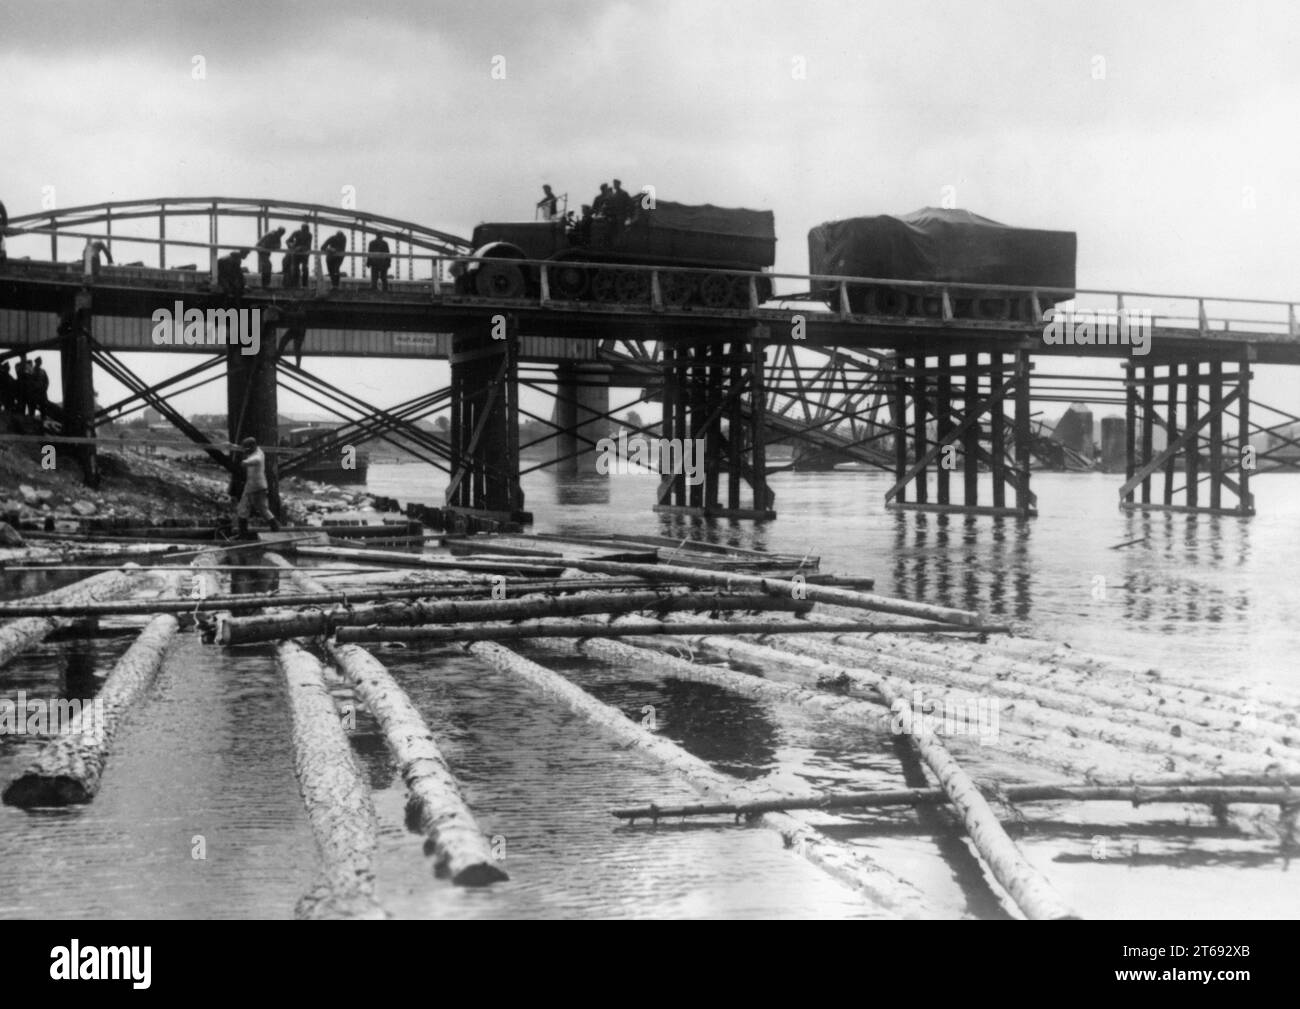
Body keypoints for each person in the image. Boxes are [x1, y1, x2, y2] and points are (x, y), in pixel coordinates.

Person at [233, 436, 281, 537]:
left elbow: (256, 460)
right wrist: (231, 446)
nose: (246, 451)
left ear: (253, 446)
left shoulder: (258, 455)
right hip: (250, 485)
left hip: (257, 486)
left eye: (247, 449)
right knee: (243, 508)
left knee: (262, 509)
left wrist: (245, 462)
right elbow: (241, 449)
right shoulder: (252, 452)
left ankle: (276, 528)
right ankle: (243, 533)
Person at [285, 223, 313, 288]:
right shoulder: (296, 233)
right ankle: (295, 285)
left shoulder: (309, 235)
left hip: (304, 255)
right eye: (304, 230)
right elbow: (288, 241)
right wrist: (291, 245)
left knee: (305, 268)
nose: (305, 231)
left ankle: (304, 285)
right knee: (295, 269)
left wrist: (301, 247)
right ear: (301, 229)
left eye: (306, 230)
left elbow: (308, 246)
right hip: (296, 254)